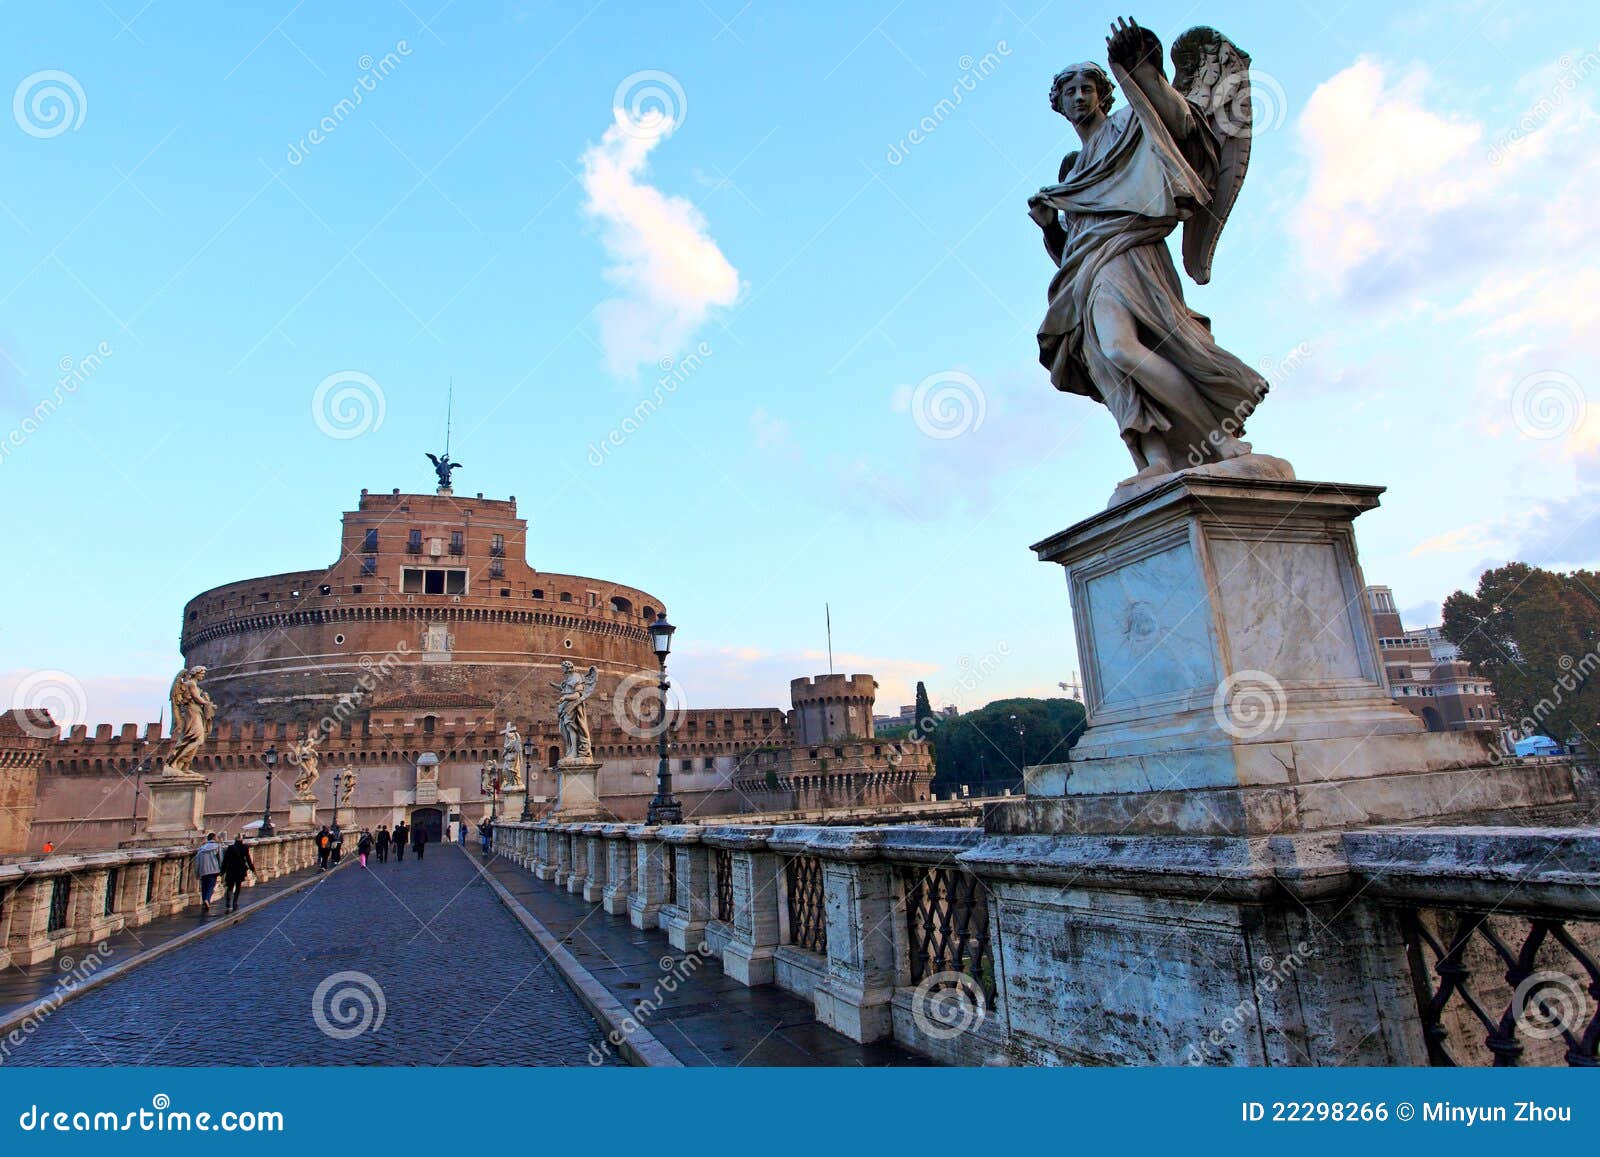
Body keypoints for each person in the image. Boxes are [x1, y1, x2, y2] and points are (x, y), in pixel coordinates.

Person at [220, 835, 255, 913]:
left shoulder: (230, 848)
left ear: (235, 840)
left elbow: (225, 860)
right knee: (238, 886)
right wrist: (252, 869)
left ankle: (228, 902)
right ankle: (235, 902)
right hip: (240, 870)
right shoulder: (244, 848)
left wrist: (222, 871)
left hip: (231, 869)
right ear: (241, 840)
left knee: (230, 886)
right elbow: (248, 860)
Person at [195, 832, 223, 913]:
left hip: (203, 870)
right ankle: (207, 899)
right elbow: (221, 859)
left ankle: (204, 900)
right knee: (211, 886)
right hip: (213, 870)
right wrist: (221, 869)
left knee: (204, 886)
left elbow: (197, 861)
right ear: (214, 838)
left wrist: (197, 872)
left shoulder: (201, 848)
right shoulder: (217, 846)